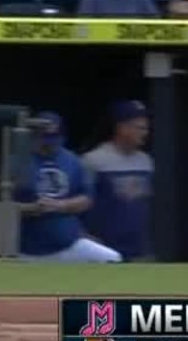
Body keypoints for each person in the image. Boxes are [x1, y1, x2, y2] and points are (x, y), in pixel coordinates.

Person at [13, 112, 123, 263]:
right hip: (27, 249)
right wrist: (30, 208)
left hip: (68, 244)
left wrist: (59, 205)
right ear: (34, 136)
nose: (49, 143)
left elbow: (86, 199)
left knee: (111, 258)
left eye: (53, 138)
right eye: (45, 138)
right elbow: (2, 206)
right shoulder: (18, 162)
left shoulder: (72, 160)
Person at [81, 100, 156, 261]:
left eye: (146, 128)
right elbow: (81, 202)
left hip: (139, 250)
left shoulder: (146, 161)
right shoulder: (95, 160)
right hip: (103, 250)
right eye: (139, 128)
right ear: (122, 128)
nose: (145, 133)